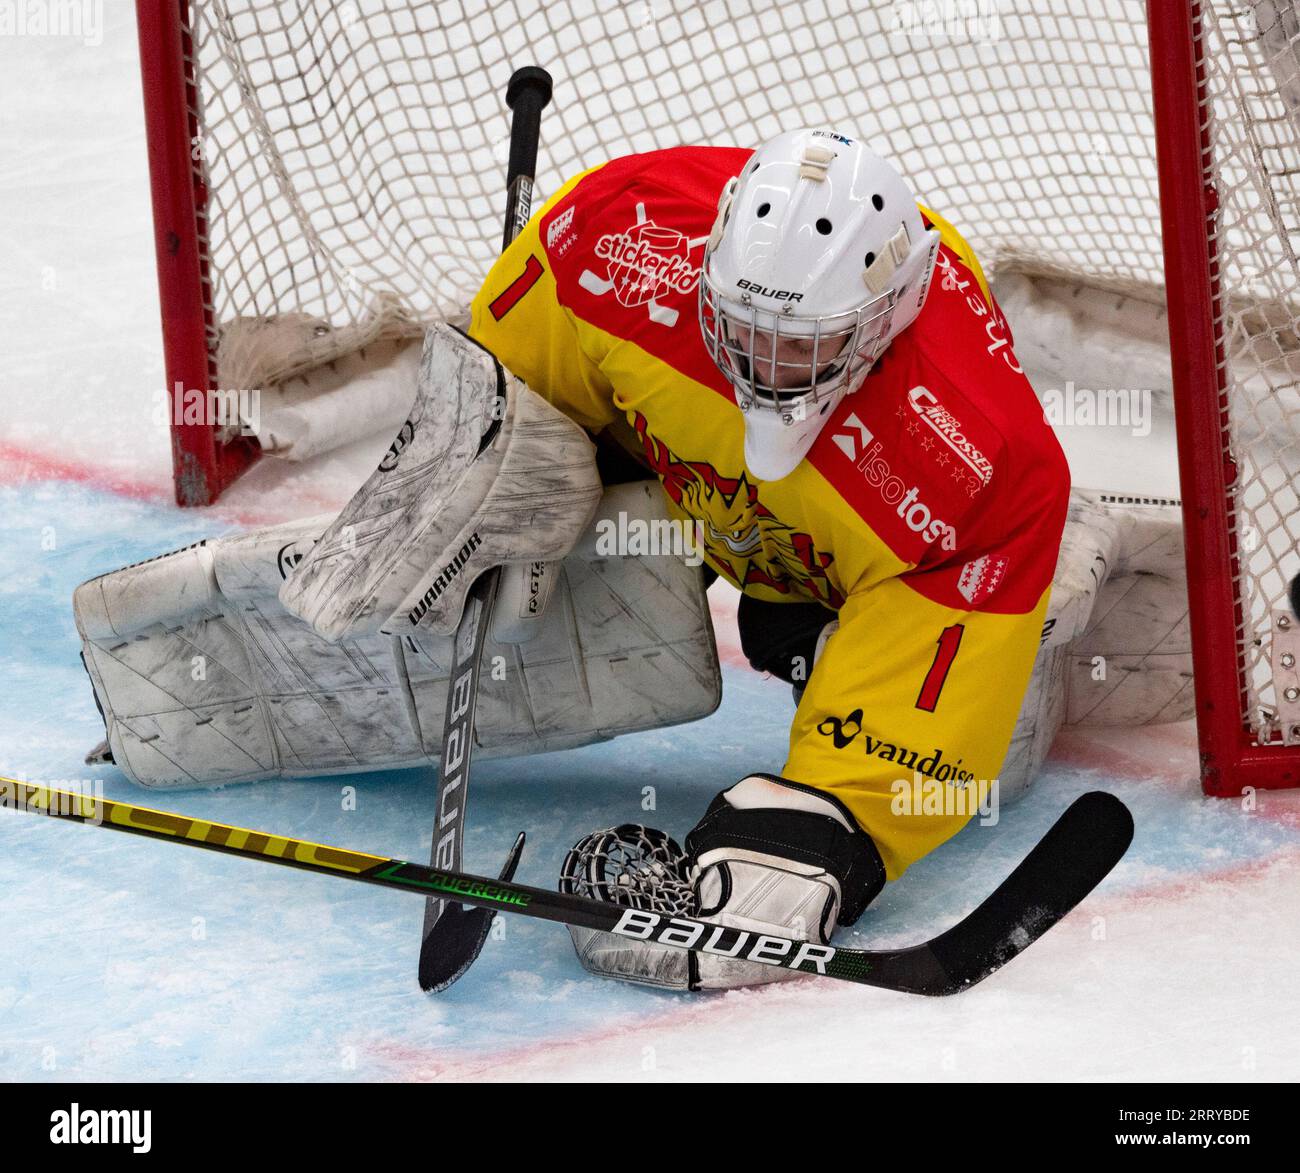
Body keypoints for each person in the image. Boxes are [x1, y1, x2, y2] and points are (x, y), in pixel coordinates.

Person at [467, 127, 1070, 989]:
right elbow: (516, 341)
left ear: (883, 327)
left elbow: (976, 580)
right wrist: (493, 443)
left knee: (835, 631)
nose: (765, 361)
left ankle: (808, 615)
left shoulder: (968, 452)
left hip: (847, 546)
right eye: (745, 326)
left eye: (804, 342)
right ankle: (781, 599)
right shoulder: (617, 239)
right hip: (703, 483)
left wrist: (822, 828)